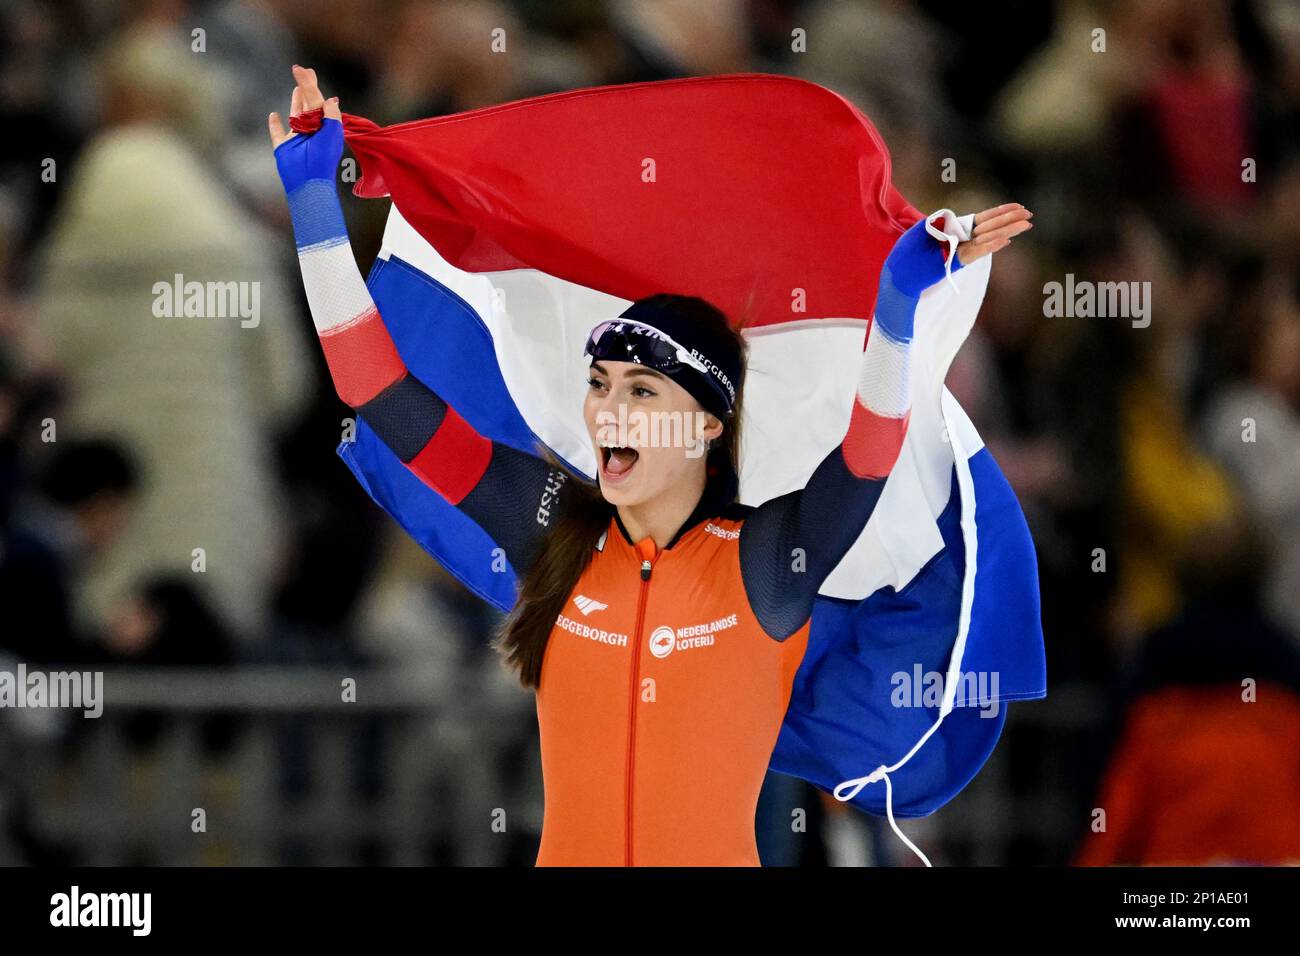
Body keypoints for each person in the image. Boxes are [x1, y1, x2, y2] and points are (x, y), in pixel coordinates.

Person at [268, 65, 1032, 866]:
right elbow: (377, 392)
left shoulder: (765, 564)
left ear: (706, 426)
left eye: (641, 392)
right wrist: (314, 201)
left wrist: (900, 305)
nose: (607, 411)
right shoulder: (547, 531)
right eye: (598, 387)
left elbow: (867, 457)